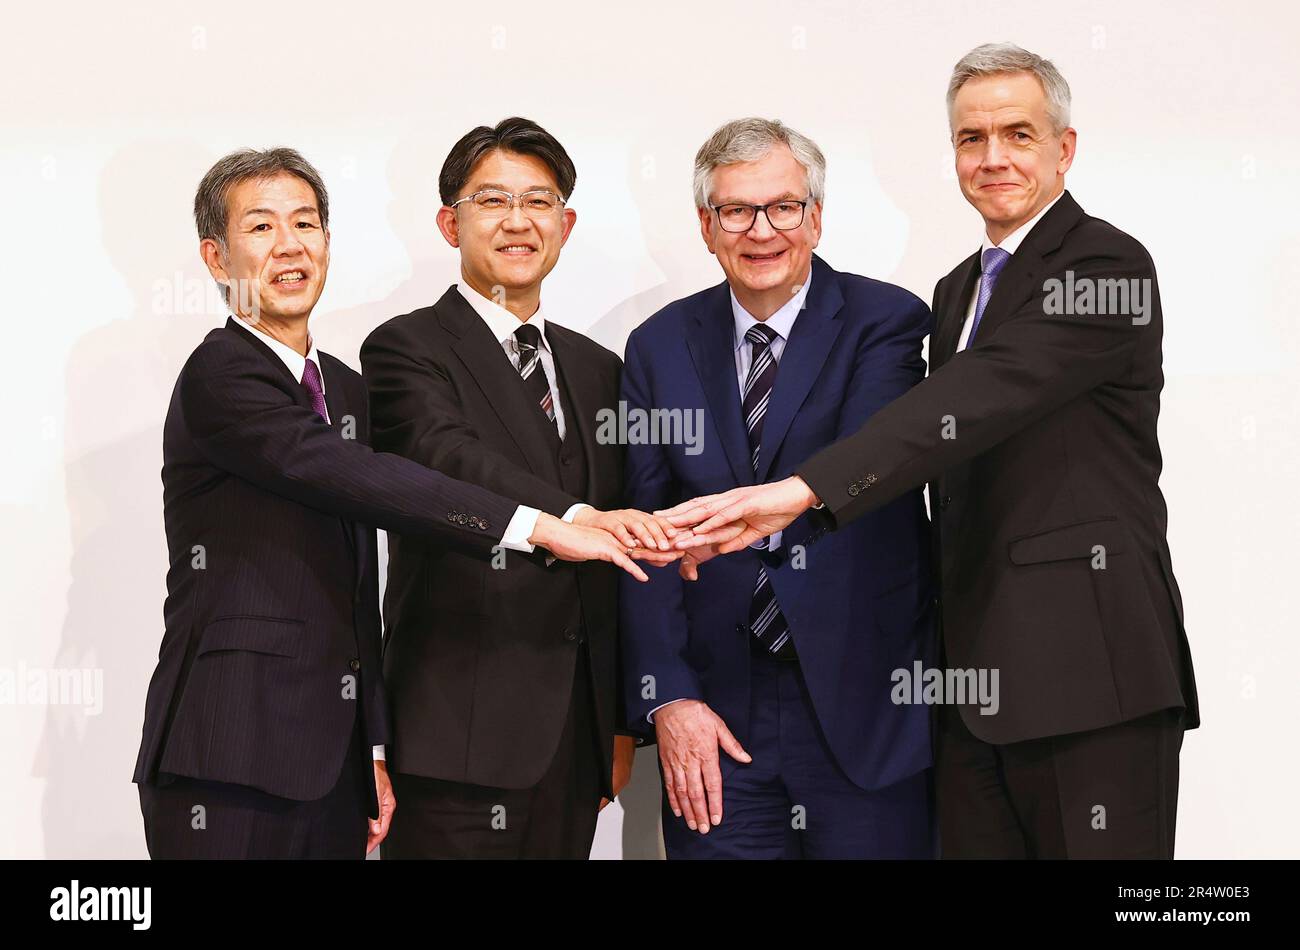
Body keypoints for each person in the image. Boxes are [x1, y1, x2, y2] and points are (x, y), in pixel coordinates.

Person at [662, 45, 1199, 859]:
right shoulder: (956, 293)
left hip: (1090, 678)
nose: (992, 159)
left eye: (1018, 134)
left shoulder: (1103, 265)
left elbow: (979, 396)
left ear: (1065, 147)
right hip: (969, 694)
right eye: (970, 138)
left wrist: (803, 488)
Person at [133, 147, 651, 859]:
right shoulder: (221, 373)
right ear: (217, 259)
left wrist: (371, 742)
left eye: (306, 224)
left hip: (331, 762)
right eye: (261, 228)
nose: (290, 245)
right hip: (229, 747)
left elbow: (358, 593)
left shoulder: (342, 389)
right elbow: (357, 475)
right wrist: (543, 525)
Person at [362, 118, 679, 858]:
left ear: (565, 224)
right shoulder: (405, 348)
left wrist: (617, 720)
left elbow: (624, 554)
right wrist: (569, 516)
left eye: (538, 201)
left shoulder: (601, 368)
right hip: (455, 741)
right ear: (450, 223)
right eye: (492, 200)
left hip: (576, 745)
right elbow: (445, 455)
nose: (517, 221)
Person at [621, 118, 937, 858]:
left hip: (867, 711)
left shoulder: (885, 323)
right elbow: (644, 533)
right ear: (707, 226)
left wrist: (730, 523)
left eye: (783, 207)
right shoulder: (658, 346)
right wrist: (669, 696)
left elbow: (866, 468)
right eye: (735, 210)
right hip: (717, 717)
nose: (761, 230)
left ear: (816, 217)